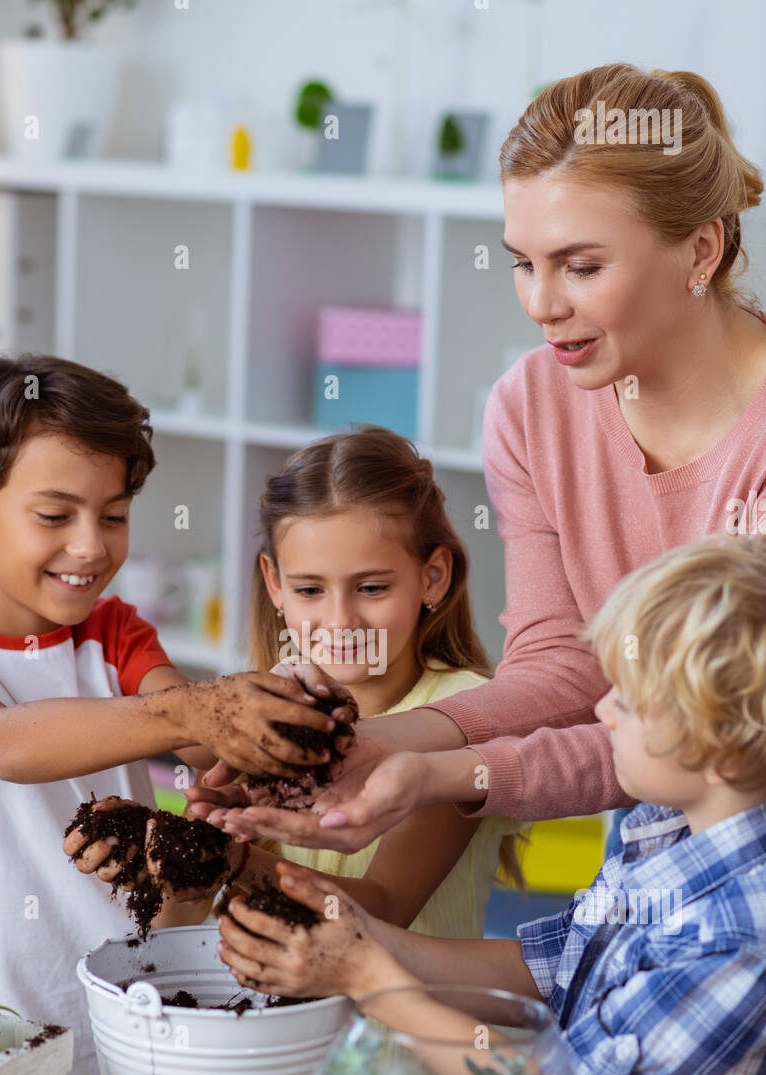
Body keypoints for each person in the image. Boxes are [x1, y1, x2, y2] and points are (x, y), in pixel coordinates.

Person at [202, 62, 766, 858]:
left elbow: (707, 733)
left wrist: (441, 773)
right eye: (522, 262)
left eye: (581, 266)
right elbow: (564, 670)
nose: (540, 303)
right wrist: (367, 746)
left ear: (700, 249)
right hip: (659, 853)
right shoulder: (532, 408)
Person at [215, 535, 766, 1075]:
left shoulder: (739, 937)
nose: (601, 711)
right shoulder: (662, 828)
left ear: (727, 749)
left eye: (631, 701)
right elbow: (551, 966)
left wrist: (372, 982)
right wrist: (362, 938)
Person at [0, 353, 345, 1075]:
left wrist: (286, 711)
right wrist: (192, 710)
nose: (91, 546)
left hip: (116, 1012)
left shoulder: (113, 632)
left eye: (113, 515)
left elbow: (203, 740)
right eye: (54, 515)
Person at [91, 426, 529, 937]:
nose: (340, 620)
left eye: (371, 587)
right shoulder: (264, 709)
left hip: (405, 1016)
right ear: (276, 584)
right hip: (273, 1011)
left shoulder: (465, 713)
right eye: (310, 589)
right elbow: (184, 922)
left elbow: (385, 908)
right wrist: (172, 854)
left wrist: (231, 861)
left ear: (432, 576)